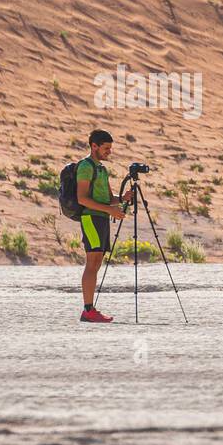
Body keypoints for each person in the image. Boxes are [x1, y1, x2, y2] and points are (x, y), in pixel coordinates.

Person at [76, 129, 133, 323]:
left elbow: (109, 199)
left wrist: (122, 199)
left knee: (97, 262)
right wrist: (110, 210)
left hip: (101, 218)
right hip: (90, 219)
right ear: (94, 146)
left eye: (110, 148)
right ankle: (88, 310)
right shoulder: (85, 166)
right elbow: (82, 199)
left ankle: (90, 309)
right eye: (106, 148)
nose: (109, 151)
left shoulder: (101, 168)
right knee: (92, 262)